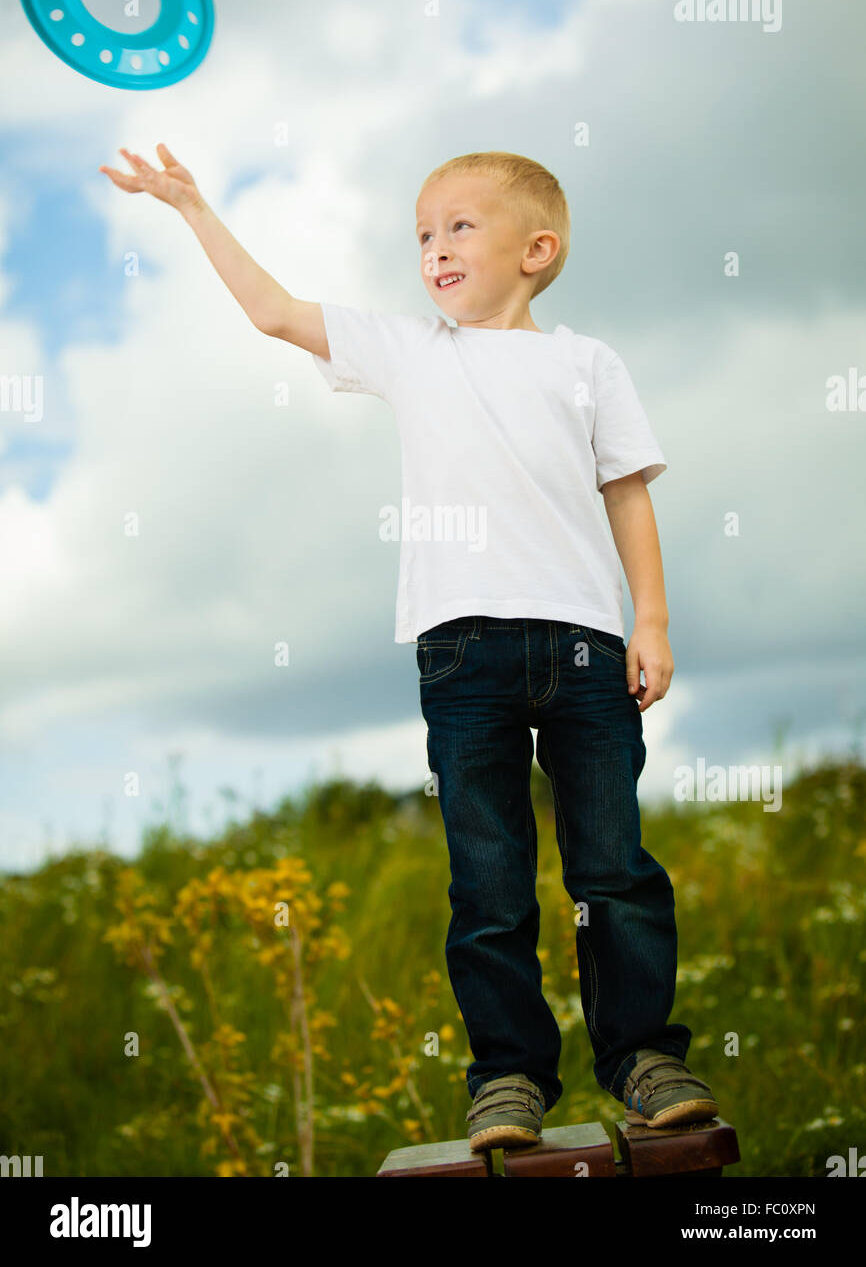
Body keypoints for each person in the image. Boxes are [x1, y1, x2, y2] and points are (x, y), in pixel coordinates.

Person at [100, 145, 719, 1153]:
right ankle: (508, 1076)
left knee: (611, 867)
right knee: (487, 879)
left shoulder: (586, 362)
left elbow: (627, 493)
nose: (433, 249)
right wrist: (190, 207)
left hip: (583, 650)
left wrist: (648, 622)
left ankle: (642, 1058)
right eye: (422, 234)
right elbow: (274, 311)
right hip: (459, 651)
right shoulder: (410, 349)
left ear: (536, 248)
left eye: (458, 227)